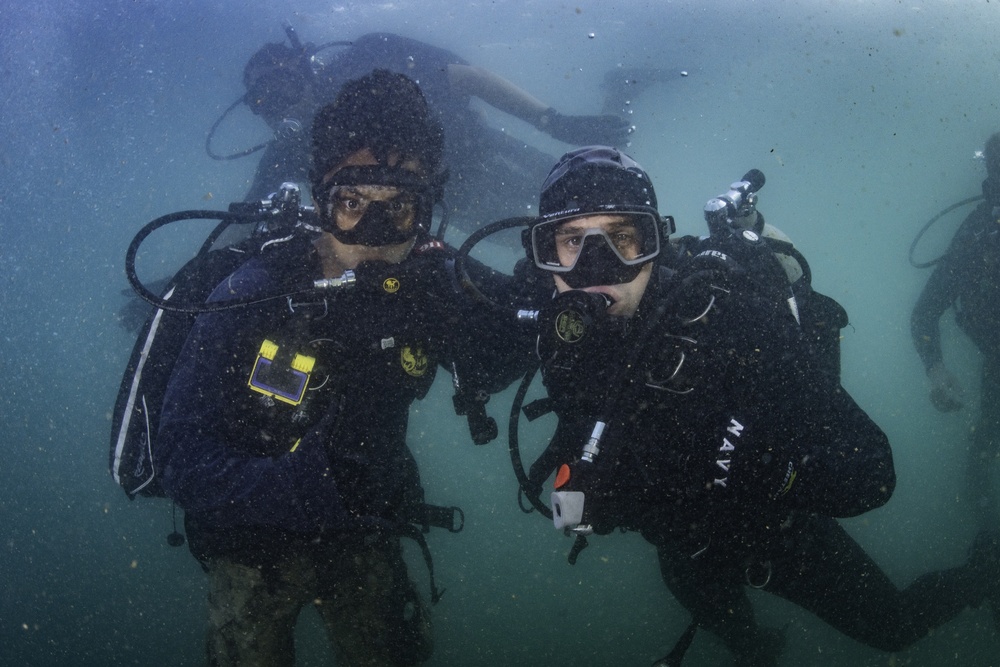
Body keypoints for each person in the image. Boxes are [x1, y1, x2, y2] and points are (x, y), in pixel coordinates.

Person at [520, 146, 1000, 666]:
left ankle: (987, 570)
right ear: (544, 253)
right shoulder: (554, 332)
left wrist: (768, 471)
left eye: (622, 237)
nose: (596, 268)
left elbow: (873, 474)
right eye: (572, 240)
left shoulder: (735, 324)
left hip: (777, 535)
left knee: (894, 628)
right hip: (685, 548)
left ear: (654, 243)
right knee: (750, 649)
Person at [157, 69, 531, 666]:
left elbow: (518, 343)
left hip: (365, 533)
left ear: (428, 208)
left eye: (399, 206)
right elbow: (180, 456)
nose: (374, 234)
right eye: (352, 203)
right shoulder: (254, 293)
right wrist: (308, 483)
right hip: (249, 549)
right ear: (320, 200)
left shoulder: (436, 285)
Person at [236, 29, 631, 229]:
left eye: (281, 88)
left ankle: (620, 91)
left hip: (478, 149)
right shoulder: (289, 149)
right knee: (535, 235)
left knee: (594, 192)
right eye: (262, 103)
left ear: (306, 67)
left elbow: (469, 77)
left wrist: (553, 121)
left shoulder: (365, 66)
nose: (280, 108)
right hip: (449, 199)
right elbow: (242, 221)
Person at [911, 132, 1000, 532]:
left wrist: (935, 367)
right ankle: (986, 538)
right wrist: (935, 368)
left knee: (985, 441)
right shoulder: (976, 235)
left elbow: (925, 313)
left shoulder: (975, 233)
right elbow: (925, 313)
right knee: (985, 441)